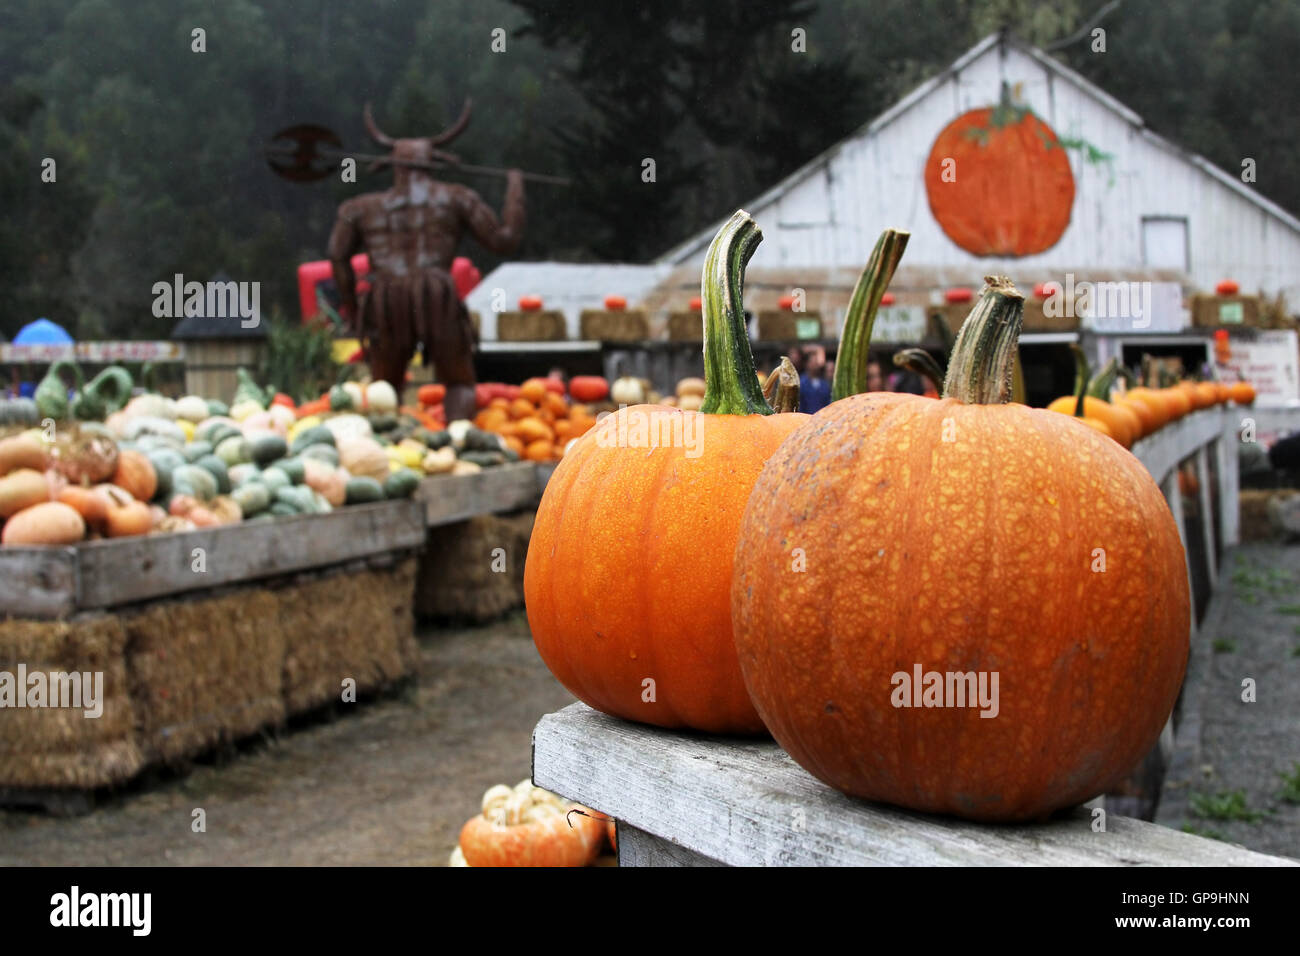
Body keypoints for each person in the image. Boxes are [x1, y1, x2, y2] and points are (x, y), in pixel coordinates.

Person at [798, 345, 832, 414]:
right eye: (812, 362)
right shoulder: (801, 383)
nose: (815, 365)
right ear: (806, 364)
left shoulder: (824, 384)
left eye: (816, 362)